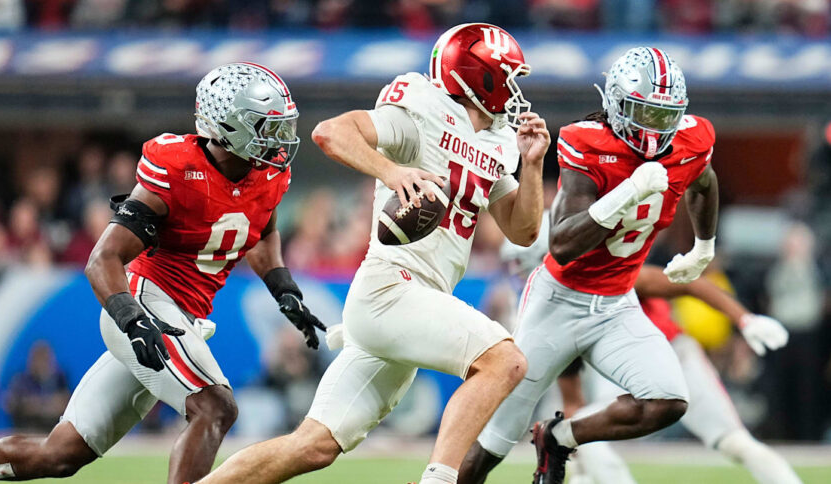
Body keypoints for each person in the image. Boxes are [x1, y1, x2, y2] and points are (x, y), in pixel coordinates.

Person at [197, 22, 548, 484]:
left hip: (418, 299)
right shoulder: (423, 109)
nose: (514, 89)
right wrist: (394, 171)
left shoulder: (499, 140)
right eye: (507, 77)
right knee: (505, 361)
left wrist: (534, 163)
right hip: (391, 289)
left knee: (313, 446)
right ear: (478, 77)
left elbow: (523, 231)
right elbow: (330, 133)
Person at [0, 62, 326, 484]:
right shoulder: (177, 168)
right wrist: (134, 321)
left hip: (181, 318)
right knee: (215, 406)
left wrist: (283, 286)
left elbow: (262, 228)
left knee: (59, 455)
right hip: (143, 303)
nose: (279, 138)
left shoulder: (269, 174)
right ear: (229, 127)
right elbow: (102, 259)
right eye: (265, 126)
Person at [459, 47, 720, 484]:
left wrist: (704, 246)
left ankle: (559, 437)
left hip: (617, 303)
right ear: (617, 103)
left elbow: (704, 181)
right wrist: (629, 192)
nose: (655, 129)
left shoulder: (694, 140)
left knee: (668, 400)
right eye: (644, 113)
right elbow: (562, 245)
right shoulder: (586, 141)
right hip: (559, 301)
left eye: (664, 115)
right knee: (494, 442)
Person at [557, 264, 801, 484]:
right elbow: (571, 401)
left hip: (674, 355)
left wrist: (744, 319)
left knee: (734, 442)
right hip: (626, 374)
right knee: (578, 427)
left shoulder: (612, 277)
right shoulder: (562, 320)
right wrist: (581, 467)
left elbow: (691, 283)